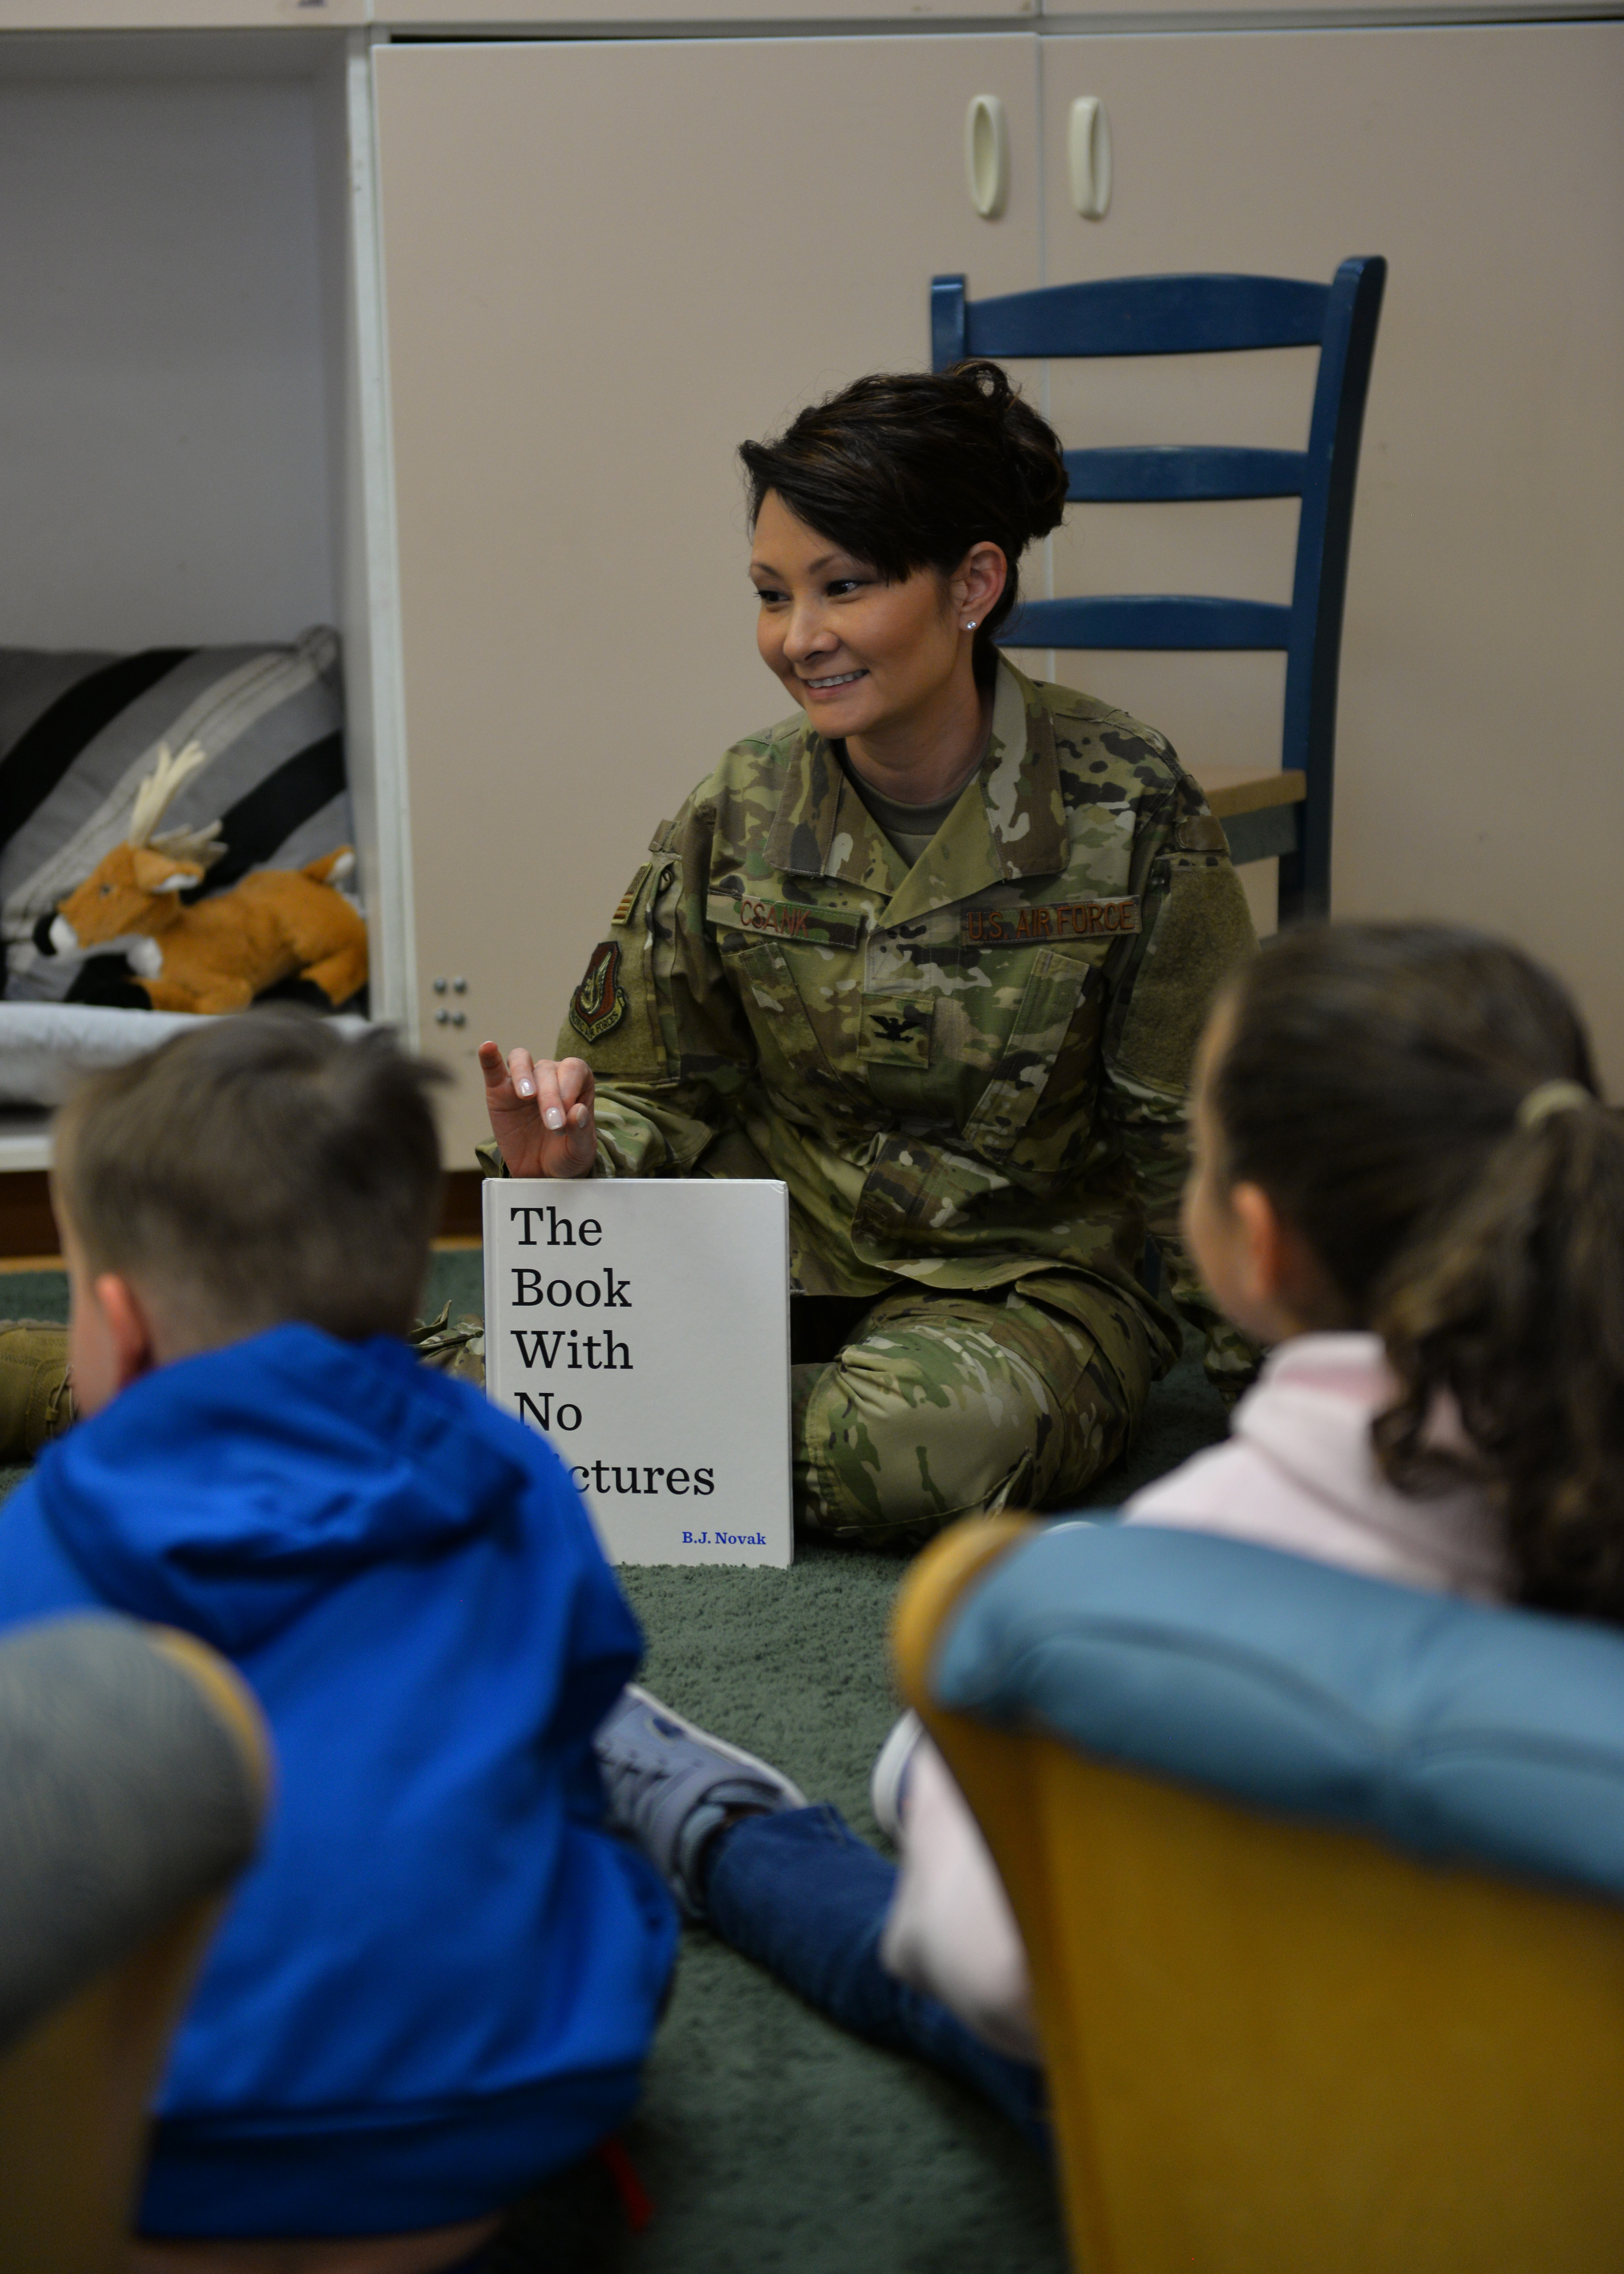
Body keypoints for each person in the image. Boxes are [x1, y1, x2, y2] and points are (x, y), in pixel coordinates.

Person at [590, 919, 1624, 2121]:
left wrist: (946, 1760)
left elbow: (986, 1971)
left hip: (1275, 2159)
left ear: (1260, 1242)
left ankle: (721, 1828)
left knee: (917, 1954)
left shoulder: (1104, 1602)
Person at [478, 361, 1258, 1549]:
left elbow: (1200, 1139)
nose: (798, 640)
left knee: (918, 1452)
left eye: (842, 588)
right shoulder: (739, 803)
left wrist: (1289, 1419)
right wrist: (581, 1150)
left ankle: (612, 1446)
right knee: (450, 1379)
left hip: (1022, 1285)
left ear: (974, 585)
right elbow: (650, 1083)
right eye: (770, 594)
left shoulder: (1127, 801)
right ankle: (625, 1435)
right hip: (776, 1260)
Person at [0, 1011, 678, 2274]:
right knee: (598, 1842)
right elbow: (582, 1695)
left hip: (146, 2168)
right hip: (497, 2130)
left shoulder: (49, 1526)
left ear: (118, 1326)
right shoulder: (515, 1470)